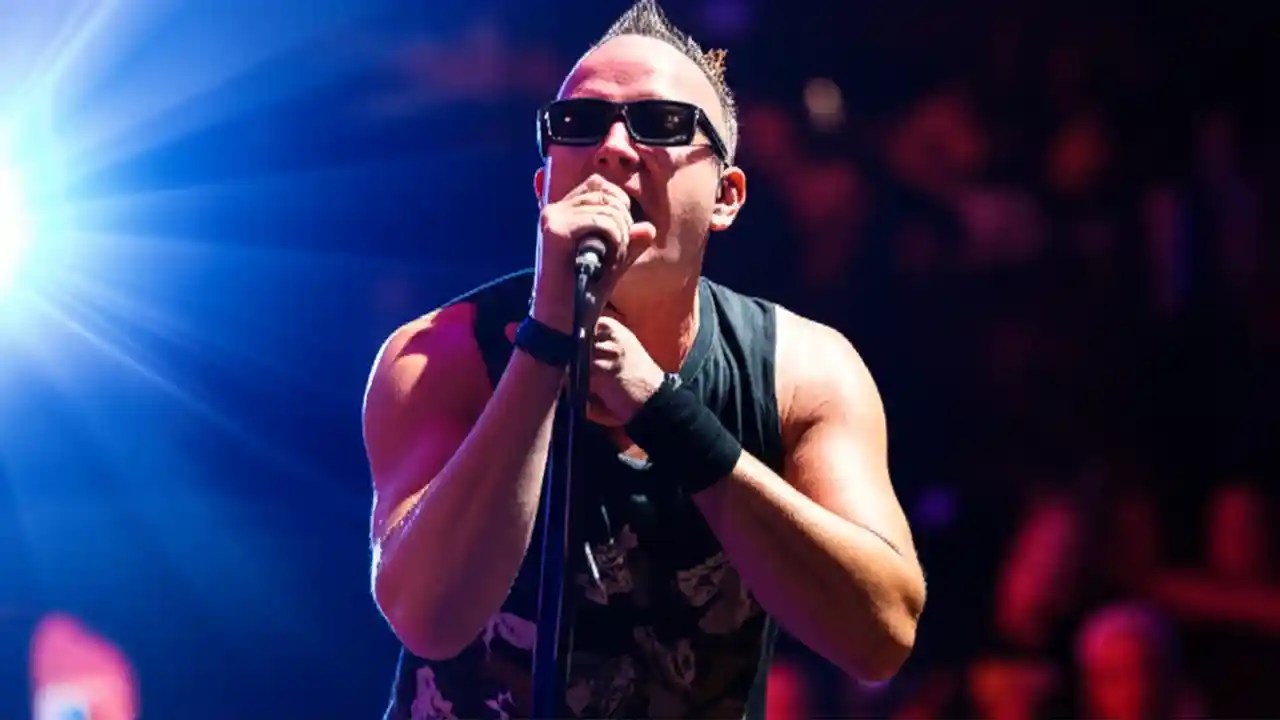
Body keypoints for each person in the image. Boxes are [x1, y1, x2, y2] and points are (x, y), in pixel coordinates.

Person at [361, 2, 926, 717]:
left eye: (661, 124)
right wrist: (548, 340)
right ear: (544, 189)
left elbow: (880, 634)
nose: (614, 149)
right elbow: (427, 616)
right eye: (580, 125)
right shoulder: (439, 354)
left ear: (726, 196)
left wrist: (662, 409)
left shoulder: (803, 374)